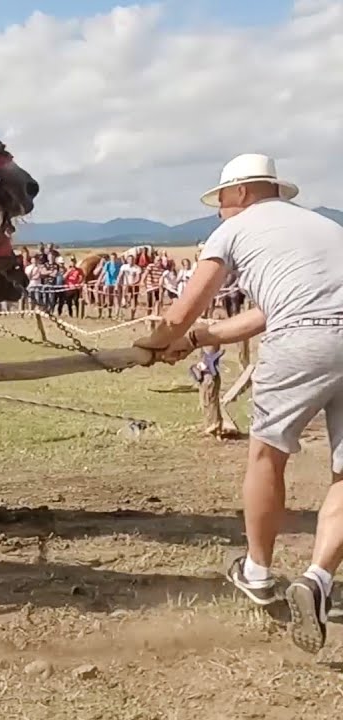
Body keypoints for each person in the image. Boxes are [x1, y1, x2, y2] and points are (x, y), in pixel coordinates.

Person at [133, 153, 343, 654]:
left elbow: (188, 304)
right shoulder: (323, 228)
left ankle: (257, 571)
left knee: (267, 454)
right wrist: (200, 337)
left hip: (302, 343)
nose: (219, 210)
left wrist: (158, 341)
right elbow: (270, 312)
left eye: (222, 199)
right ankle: (317, 578)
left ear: (242, 192)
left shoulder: (235, 228)